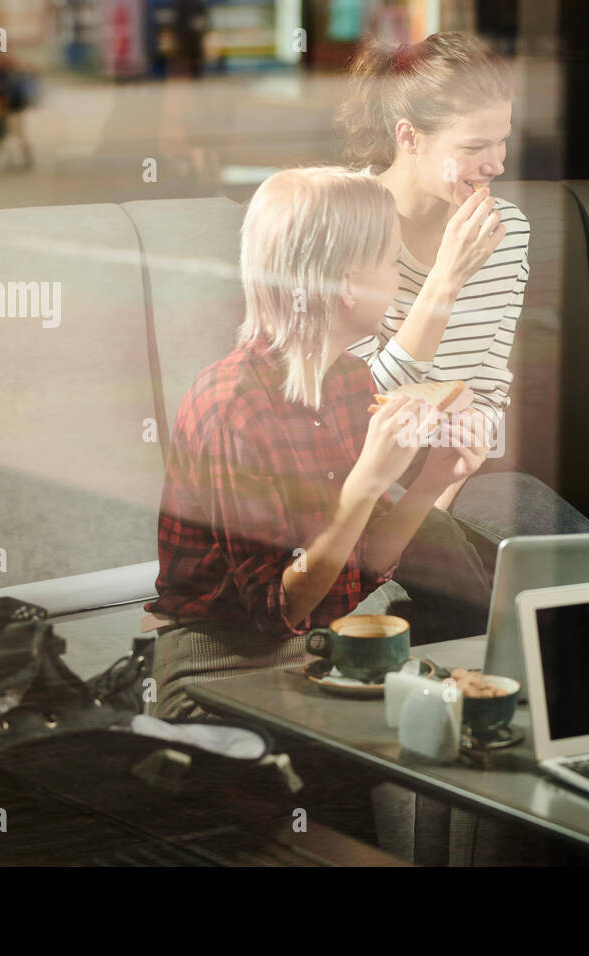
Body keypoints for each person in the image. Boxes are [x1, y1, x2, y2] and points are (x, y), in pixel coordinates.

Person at [142, 167, 490, 720]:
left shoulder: (350, 380)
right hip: (218, 665)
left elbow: (363, 566)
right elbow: (277, 611)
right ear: (348, 284)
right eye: (390, 263)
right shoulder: (233, 407)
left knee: (453, 725)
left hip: (317, 647)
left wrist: (433, 481)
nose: (399, 281)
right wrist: (366, 483)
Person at [336, 31, 589, 563]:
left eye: (502, 140)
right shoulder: (342, 225)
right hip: (352, 477)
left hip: (459, 472)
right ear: (409, 137)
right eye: (474, 147)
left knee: (586, 565)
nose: (496, 163)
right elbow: (359, 410)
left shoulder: (508, 232)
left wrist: (436, 498)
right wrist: (445, 280)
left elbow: (487, 389)